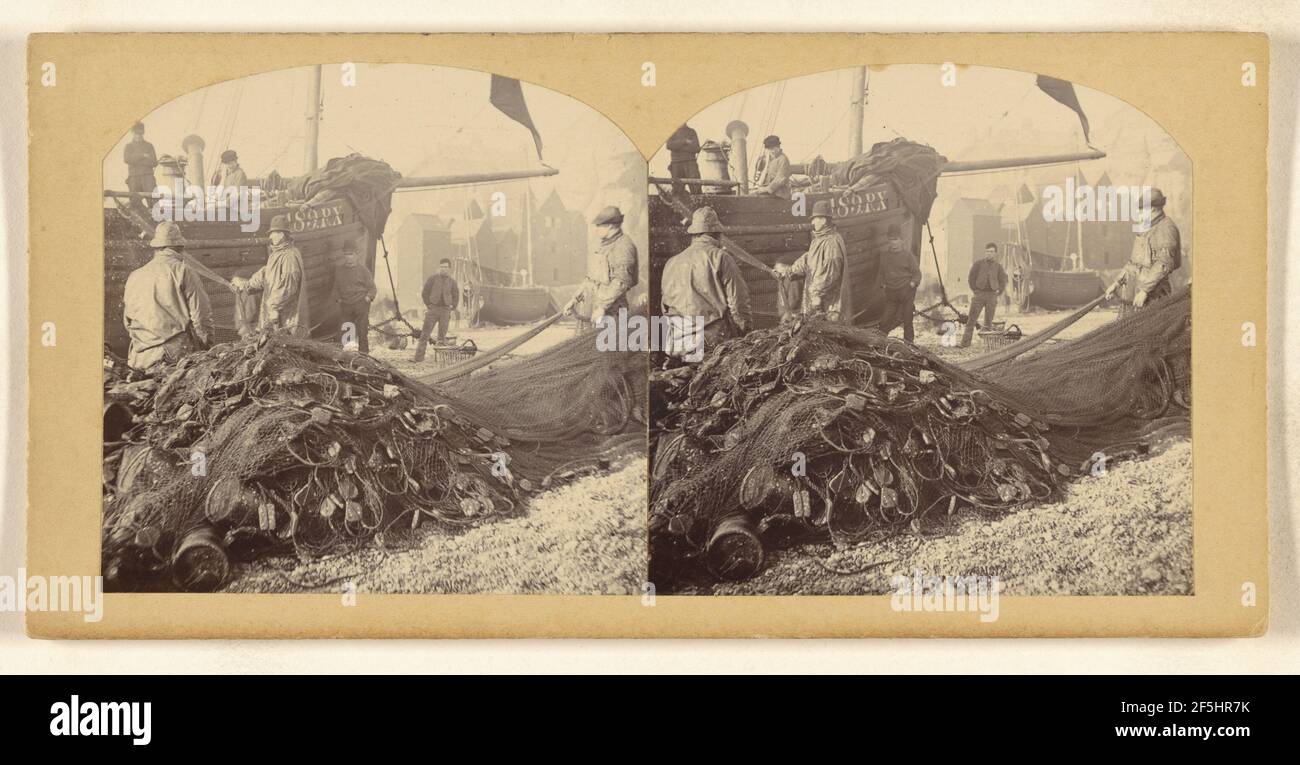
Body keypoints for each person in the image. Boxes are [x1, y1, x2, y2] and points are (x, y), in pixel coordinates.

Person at [660, 206, 751, 360]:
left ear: (694, 235)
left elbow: (665, 306)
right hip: (712, 345)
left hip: (677, 344)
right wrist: (746, 334)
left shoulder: (671, 262)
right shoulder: (721, 258)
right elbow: (738, 304)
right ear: (717, 234)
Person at [122, 222, 213, 372]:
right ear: (180, 248)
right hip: (174, 359)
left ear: (156, 248)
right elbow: (201, 317)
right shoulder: (183, 271)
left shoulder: (135, 275)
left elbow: (127, 321)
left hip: (140, 359)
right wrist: (207, 349)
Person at [1107, 188, 1181, 310]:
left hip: (1154, 295)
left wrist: (1145, 291)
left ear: (1151, 208)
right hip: (1137, 292)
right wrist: (1116, 283)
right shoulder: (1146, 228)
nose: (1139, 214)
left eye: (1141, 210)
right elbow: (1133, 263)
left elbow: (1164, 263)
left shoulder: (1166, 228)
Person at [775, 200, 848, 321]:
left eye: (815, 219)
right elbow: (807, 260)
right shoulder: (818, 240)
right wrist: (788, 271)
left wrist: (815, 294)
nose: (812, 222)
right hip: (817, 300)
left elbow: (831, 273)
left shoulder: (831, 242)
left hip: (827, 303)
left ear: (824, 220)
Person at [234, 214, 307, 334]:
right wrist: (246, 285)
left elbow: (288, 286)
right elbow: (266, 274)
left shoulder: (289, 256)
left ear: (282, 234)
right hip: (274, 313)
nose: (270, 236)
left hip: (283, 316)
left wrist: (274, 308)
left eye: (273, 233)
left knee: (283, 343)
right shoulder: (277, 254)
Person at [565, 206, 638, 323]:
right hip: (598, 310)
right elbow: (591, 279)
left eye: (599, 226)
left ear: (610, 226)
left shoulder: (623, 246)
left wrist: (602, 307)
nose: (596, 229)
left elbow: (621, 282)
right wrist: (574, 300)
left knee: (614, 340)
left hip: (614, 313)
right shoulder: (604, 246)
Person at [960, 242, 1009, 347]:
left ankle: (986, 345)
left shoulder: (998, 267)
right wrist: (975, 290)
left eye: (992, 252)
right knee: (971, 320)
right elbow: (971, 277)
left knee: (988, 322)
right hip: (979, 295)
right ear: (985, 252)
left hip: (992, 296)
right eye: (987, 251)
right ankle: (965, 343)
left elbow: (1003, 280)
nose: (989, 254)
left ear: (995, 253)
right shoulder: (978, 264)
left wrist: (998, 291)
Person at [878, 222, 921, 342]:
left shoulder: (908, 256)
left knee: (907, 319)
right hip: (891, 293)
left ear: (902, 240)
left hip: (906, 292)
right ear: (888, 240)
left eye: (896, 239)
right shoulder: (885, 256)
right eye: (891, 240)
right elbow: (881, 273)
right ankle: (879, 342)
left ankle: (909, 344)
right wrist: (882, 284)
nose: (893, 242)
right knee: (885, 320)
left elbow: (917, 274)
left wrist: (912, 283)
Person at [333, 240, 377, 354]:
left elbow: (372, 288)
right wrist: (338, 298)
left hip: (360, 305)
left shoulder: (363, 270)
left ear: (356, 255)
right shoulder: (339, 270)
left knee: (362, 332)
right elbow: (336, 287)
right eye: (346, 254)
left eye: (351, 254)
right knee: (344, 332)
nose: (349, 257)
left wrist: (368, 298)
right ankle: (345, 357)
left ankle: (364, 356)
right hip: (346, 306)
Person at [416, 258, 459, 360]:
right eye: (442, 267)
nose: (444, 269)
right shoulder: (432, 279)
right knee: (425, 335)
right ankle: (418, 358)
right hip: (433, 309)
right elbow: (425, 293)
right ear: (439, 267)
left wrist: (453, 306)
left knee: (442, 337)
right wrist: (428, 305)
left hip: (445, 311)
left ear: (449, 269)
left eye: (446, 267)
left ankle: (440, 359)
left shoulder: (452, 282)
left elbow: (456, 295)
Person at [122, 122, 157, 209]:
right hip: (134, 177)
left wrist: (135, 161)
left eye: (140, 133)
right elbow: (127, 159)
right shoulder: (128, 146)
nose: (138, 135)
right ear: (132, 133)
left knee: (153, 200)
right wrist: (143, 156)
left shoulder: (149, 146)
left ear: (143, 133)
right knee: (134, 203)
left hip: (148, 176)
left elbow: (154, 162)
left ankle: (155, 220)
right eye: (136, 133)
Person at [665, 124, 702, 196]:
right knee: (677, 190)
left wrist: (677, 148)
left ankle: (699, 206)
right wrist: (685, 141)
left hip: (690, 163)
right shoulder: (672, 131)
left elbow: (697, 148)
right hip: (676, 164)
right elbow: (669, 145)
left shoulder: (691, 131)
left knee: (696, 188)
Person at [751, 135, 791, 199]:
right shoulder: (769, 159)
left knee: (753, 199)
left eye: (774, 148)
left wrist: (766, 189)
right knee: (751, 195)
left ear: (778, 147)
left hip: (780, 194)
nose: (772, 151)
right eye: (770, 149)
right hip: (771, 192)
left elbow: (780, 179)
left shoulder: (783, 159)